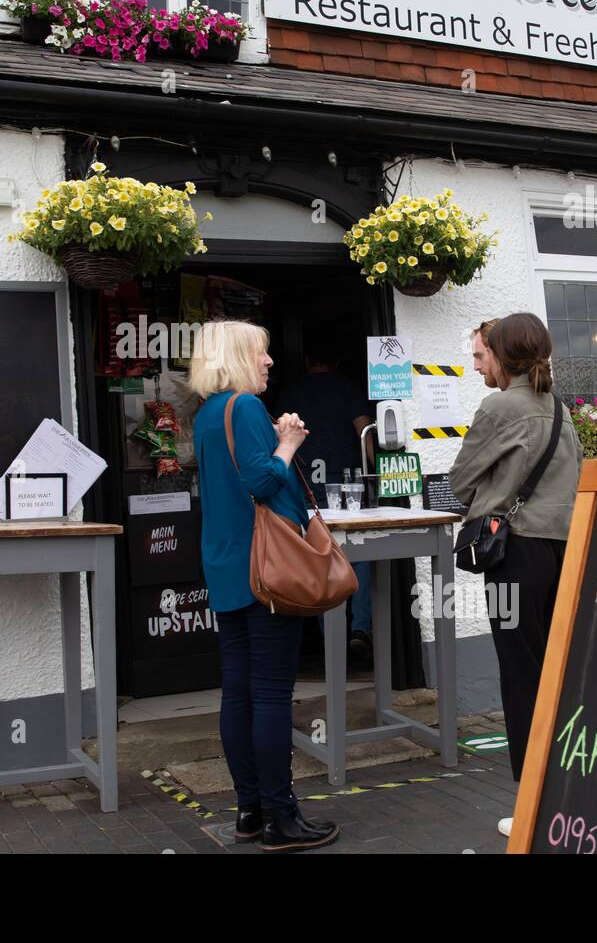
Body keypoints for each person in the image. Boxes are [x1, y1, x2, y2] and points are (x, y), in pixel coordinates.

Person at [191, 320, 341, 853]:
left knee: (239, 695)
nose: (270, 362)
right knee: (273, 696)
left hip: (229, 570)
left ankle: (249, 813)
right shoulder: (246, 408)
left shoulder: (208, 414)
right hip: (269, 573)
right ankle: (283, 818)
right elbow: (261, 481)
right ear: (236, 356)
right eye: (261, 353)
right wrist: (290, 442)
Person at [449, 312, 582, 840]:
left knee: (521, 675)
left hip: (517, 553)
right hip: (565, 548)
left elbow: (461, 480)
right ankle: (569, 791)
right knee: (558, 672)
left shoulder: (499, 406)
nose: (481, 362)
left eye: (485, 354)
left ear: (504, 355)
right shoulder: (560, 407)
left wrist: (488, 496)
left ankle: (531, 805)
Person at [276, 341, 376, 662]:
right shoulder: (347, 387)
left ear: (307, 360)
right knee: (361, 553)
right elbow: (364, 431)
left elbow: (277, 435)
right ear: (336, 360)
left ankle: (328, 637)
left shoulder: (291, 392)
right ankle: (361, 627)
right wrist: (375, 470)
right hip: (348, 484)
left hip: (306, 486)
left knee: (319, 557)